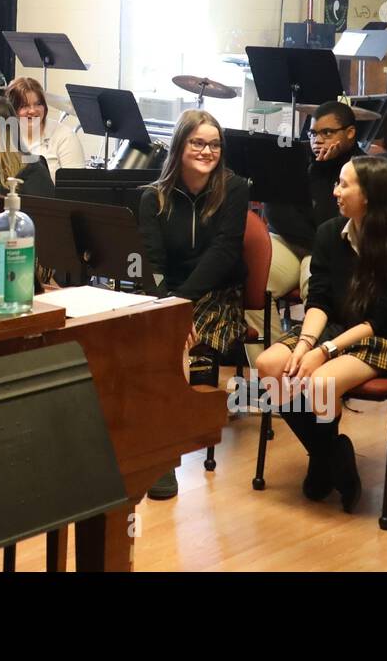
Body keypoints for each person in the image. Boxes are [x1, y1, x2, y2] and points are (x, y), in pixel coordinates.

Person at [253, 157, 387, 513]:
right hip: (338, 326)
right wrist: (305, 344)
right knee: (271, 365)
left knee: (320, 383)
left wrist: (325, 351)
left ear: (371, 195)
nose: (334, 192)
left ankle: (324, 463)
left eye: (344, 185)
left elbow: (382, 319)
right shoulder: (330, 232)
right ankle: (330, 454)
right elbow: (319, 300)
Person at [138, 110, 249, 500]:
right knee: (141, 344)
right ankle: (143, 444)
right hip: (167, 297)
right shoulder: (152, 197)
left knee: (171, 349)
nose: (207, 151)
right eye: (198, 142)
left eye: (214, 144)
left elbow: (224, 253)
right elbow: (151, 263)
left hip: (216, 294)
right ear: (180, 146)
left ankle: (164, 456)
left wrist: (181, 304)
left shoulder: (234, 189)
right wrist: (168, 304)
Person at [253, 101, 363, 334]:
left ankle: (311, 357)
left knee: (318, 292)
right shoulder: (297, 156)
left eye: (327, 133)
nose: (317, 140)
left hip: (331, 249)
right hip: (291, 242)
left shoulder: (361, 169)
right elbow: (274, 211)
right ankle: (274, 357)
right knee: (252, 283)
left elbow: (331, 222)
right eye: (313, 133)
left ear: (350, 133)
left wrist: (322, 171)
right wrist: (315, 168)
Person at [5, 76, 84, 182]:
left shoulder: (65, 136)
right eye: (25, 106)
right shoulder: (5, 134)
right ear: (12, 109)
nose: (32, 111)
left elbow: (75, 188)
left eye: (38, 104)